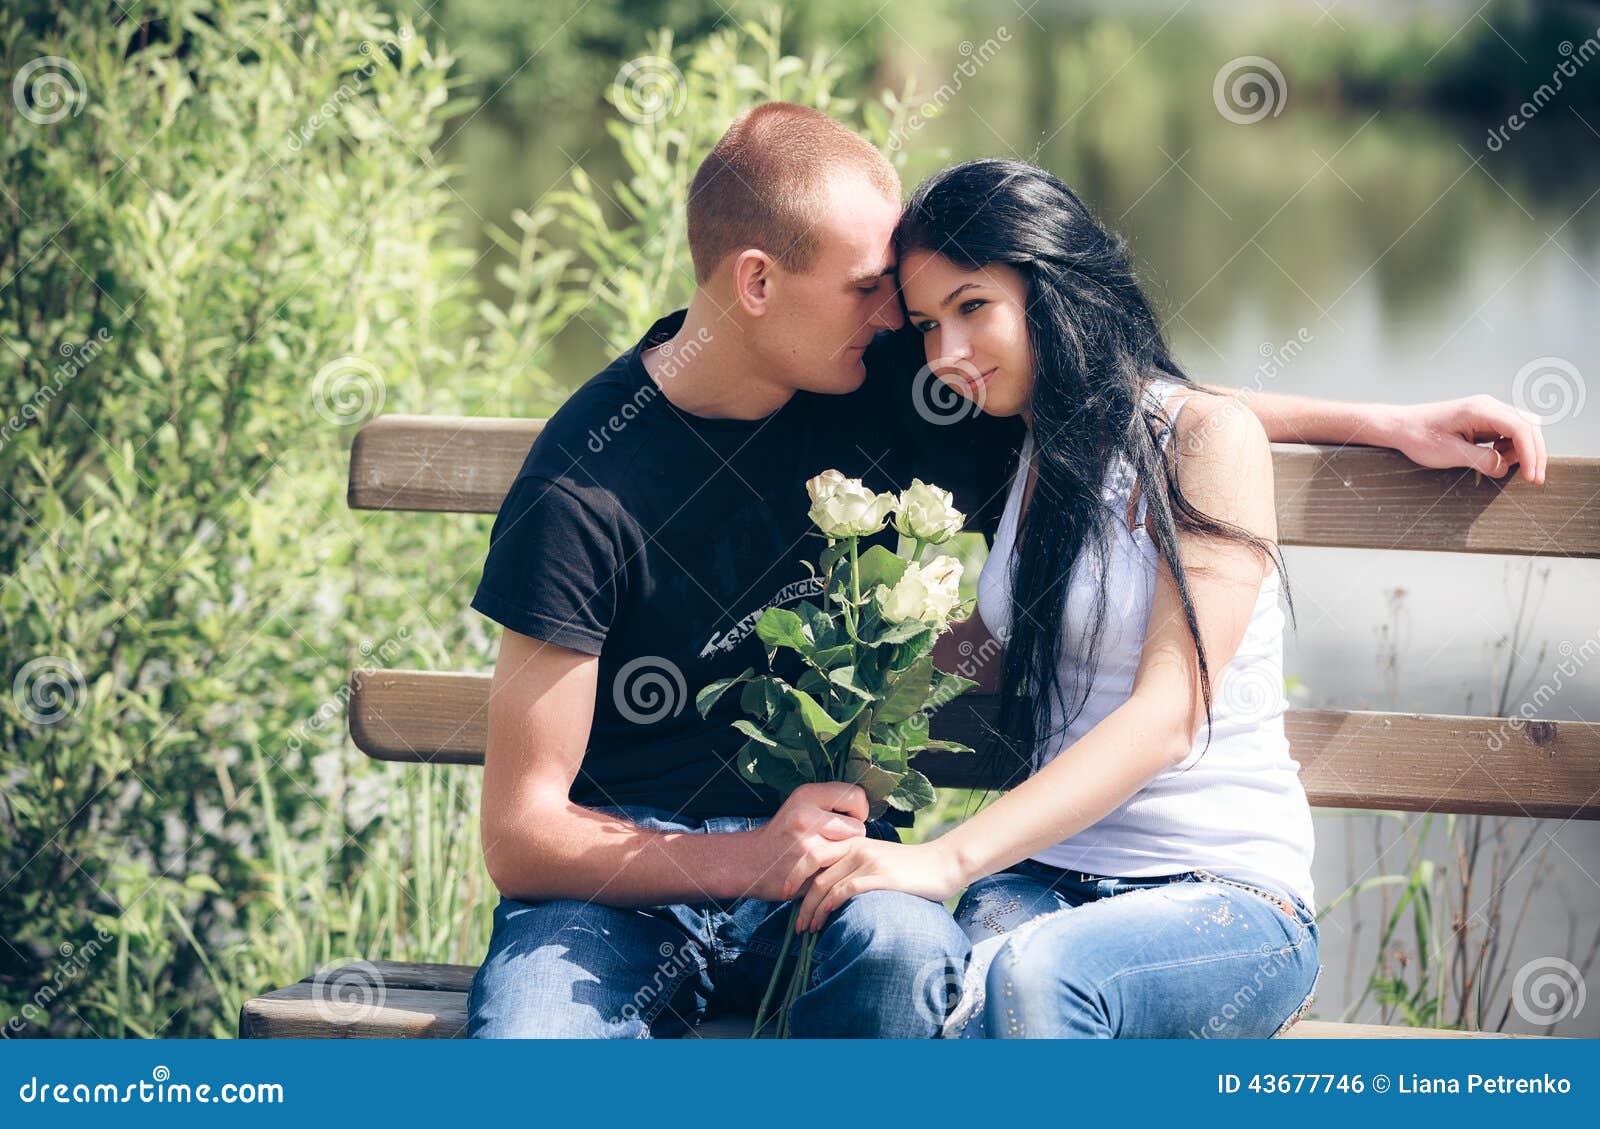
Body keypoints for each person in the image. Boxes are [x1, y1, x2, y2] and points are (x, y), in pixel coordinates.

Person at [466, 106, 1548, 1038]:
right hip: (623, 893)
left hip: (854, 876)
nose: (906, 328)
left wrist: (1378, 421)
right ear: (757, 283)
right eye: (872, 292)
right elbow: (522, 836)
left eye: (932, 306)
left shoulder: (881, 377)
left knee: (912, 957)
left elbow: (1124, 402)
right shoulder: (584, 486)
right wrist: (747, 856)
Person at [790, 157, 1548, 1039]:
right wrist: (834, 702)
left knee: (1036, 981)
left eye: (972, 307)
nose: (944, 354)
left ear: (1053, 289)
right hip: (1047, 881)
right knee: (936, 985)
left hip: (1220, 899)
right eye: (925, 323)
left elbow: (1169, 716)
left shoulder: (1201, 442)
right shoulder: (1039, 443)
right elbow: (1123, 403)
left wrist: (945, 856)